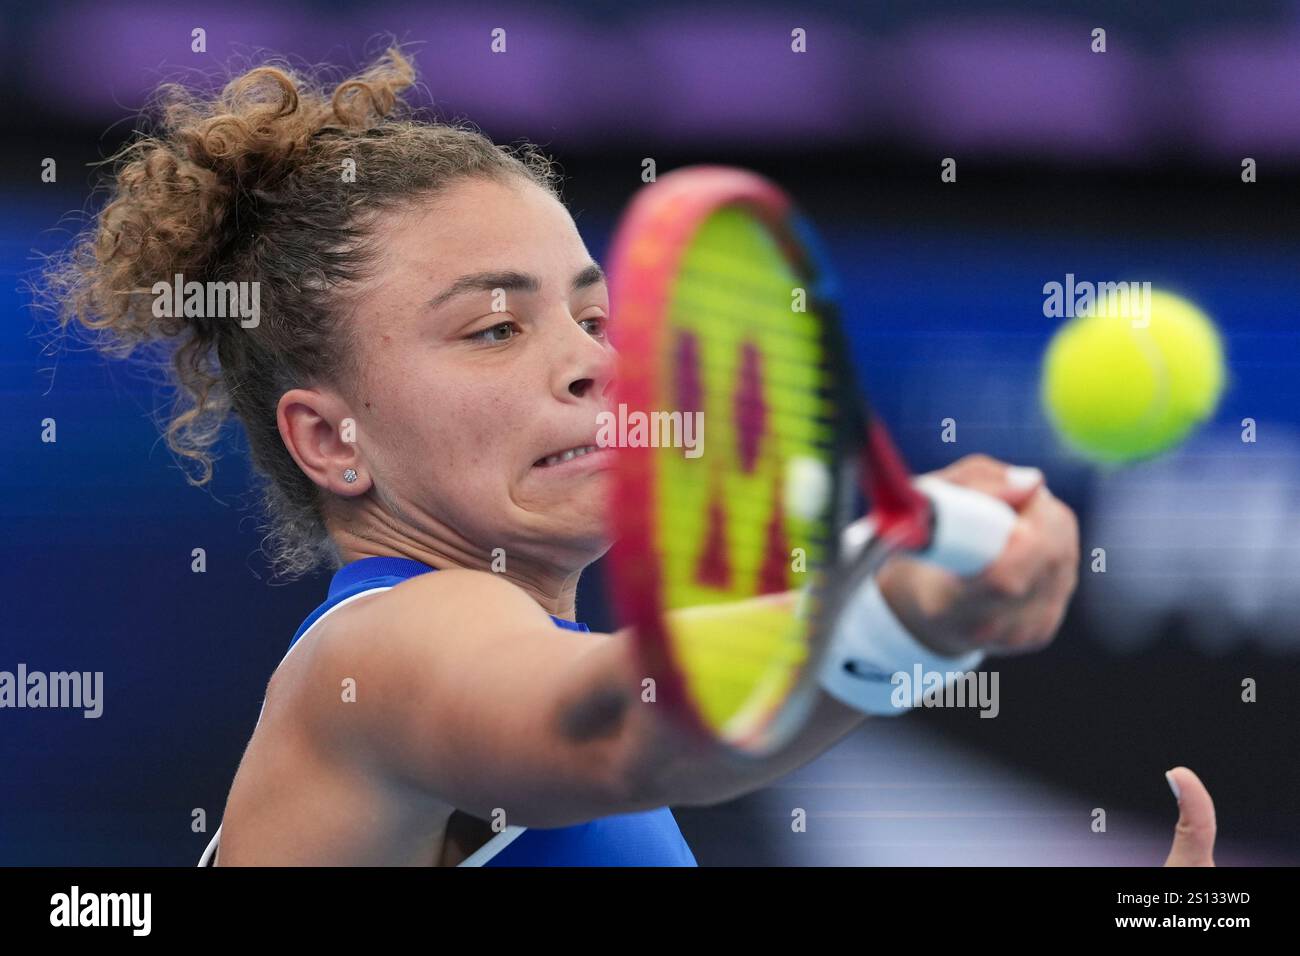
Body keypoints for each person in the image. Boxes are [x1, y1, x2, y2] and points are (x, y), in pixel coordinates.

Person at [45, 48, 1084, 866]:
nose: (592, 364)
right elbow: (617, 725)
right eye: (494, 328)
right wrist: (894, 611)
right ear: (330, 439)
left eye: (594, 316)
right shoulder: (387, 645)